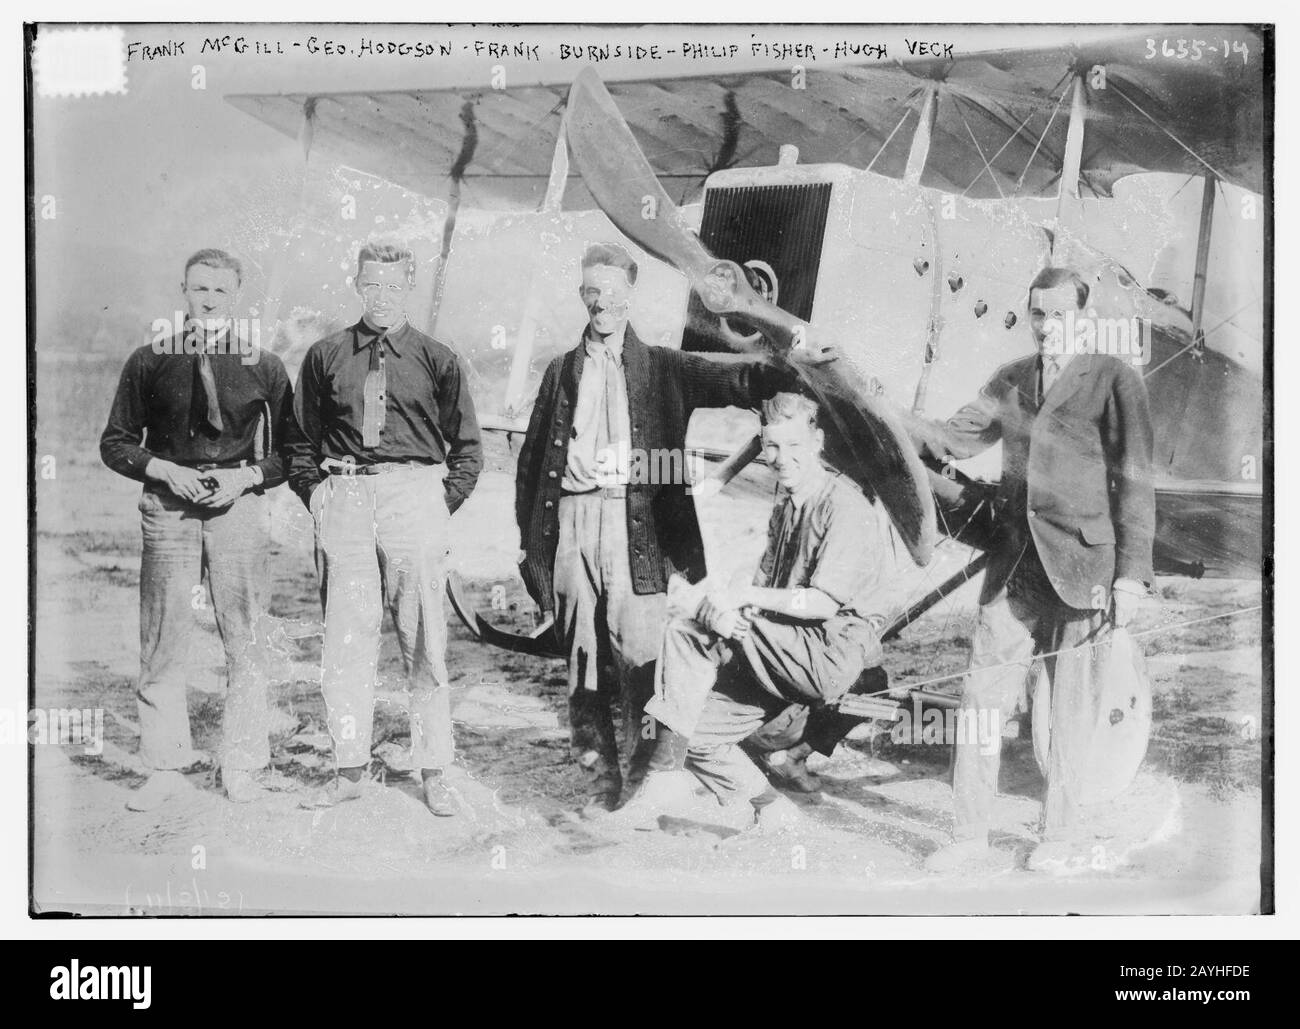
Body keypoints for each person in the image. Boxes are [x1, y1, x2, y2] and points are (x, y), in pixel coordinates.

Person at [515, 242, 801, 817]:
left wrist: (791, 350)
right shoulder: (559, 372)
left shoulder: (666, 367)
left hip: (634, 527)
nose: (604, 305)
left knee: (642, 663)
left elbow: (744, 382)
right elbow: (530, 465)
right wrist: (534, 549)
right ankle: (600, 783)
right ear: (582, 296)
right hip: (573, 523)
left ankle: (649, 782)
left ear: (630, 296)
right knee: (583, 664)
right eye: (593, 293)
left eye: (615, 294)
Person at [910, 266, 1156, 872]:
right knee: (979, 698)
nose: (1047, 327)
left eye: (1060, 314)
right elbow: (955, 438)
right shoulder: (1010, 380)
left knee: (1070, 705)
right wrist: (882, 415)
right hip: (1014, 563)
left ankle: (1062, 837)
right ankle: (969, 836)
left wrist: (1130, 574)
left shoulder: (1114, 378)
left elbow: (1136, 479)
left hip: (1083, 565)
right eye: (1038, 314)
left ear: (1084, 316)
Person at [610, 391, 891, 831]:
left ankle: (663, 775)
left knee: (688, 628)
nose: (781, 458)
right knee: (697, 737)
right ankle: (772, 809)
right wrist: (731, 612)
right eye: (772, 446)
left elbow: (820, 603)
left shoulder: (845, 507)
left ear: (817, 443)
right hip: (782, 648)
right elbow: (764, 589)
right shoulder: (785, 504)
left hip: (829, 656)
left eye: (794, 446)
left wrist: (738, 603)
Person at [286, 242, 482, 816]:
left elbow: (468, 449)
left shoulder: (437, 357)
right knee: (347, 639)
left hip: (412, 496)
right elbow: (300, 439)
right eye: (371, 285)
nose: (382, 296)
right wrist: (318, 496)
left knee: (425, 644)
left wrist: (435, 505)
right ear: (357, 284)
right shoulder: (325, 355)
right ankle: (348, 768)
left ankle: (435, 769)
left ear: (409, 288)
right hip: (344, 494)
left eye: (393, 287)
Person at [101, 248, 294, 809]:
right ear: (183, 291)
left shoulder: (263, 364)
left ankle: (242, 764)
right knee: (164, 637)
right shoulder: (149, 360)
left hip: (236, 506)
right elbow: (115, 443)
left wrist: (247, 479)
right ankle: (163, 765)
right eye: (199, 289)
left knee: (245, 636)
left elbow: (293, 451)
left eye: (220, 292)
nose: (208, 300)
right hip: (168, 507)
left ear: (236, 297)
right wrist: (163, 470)